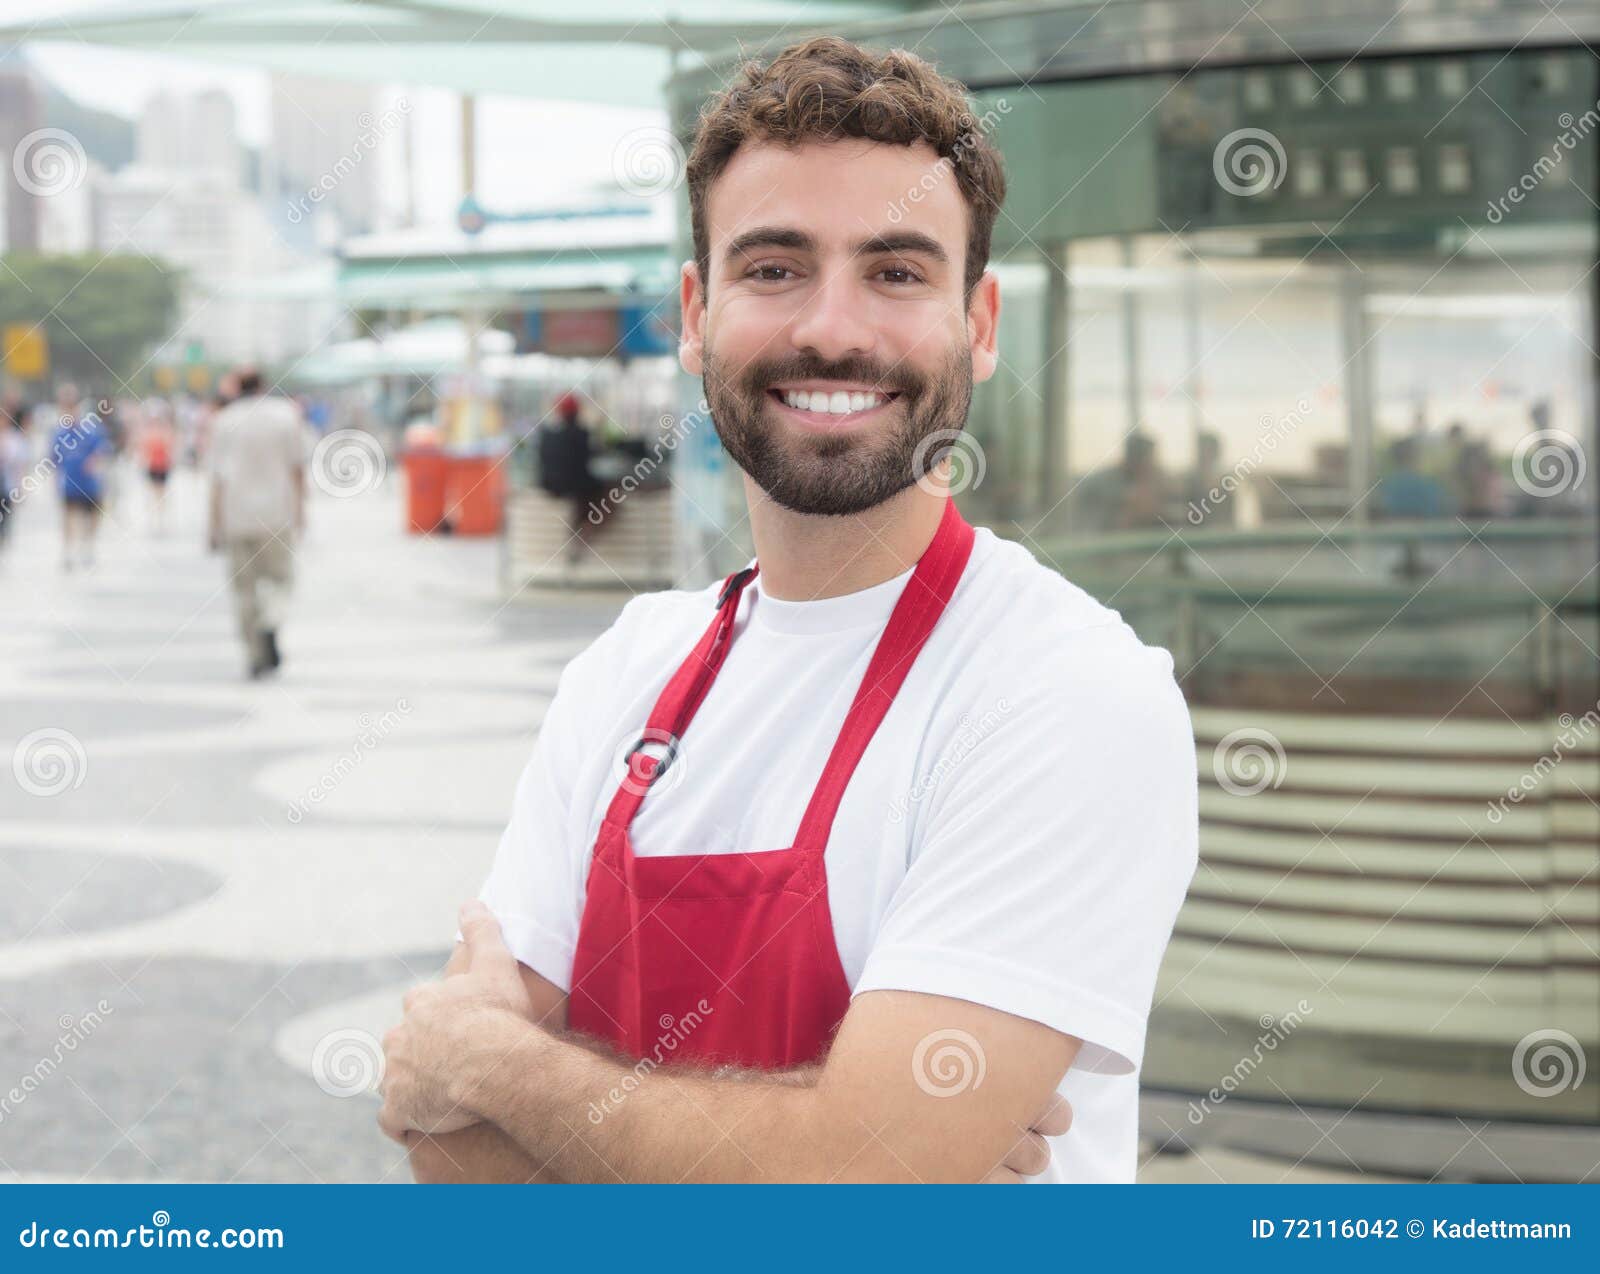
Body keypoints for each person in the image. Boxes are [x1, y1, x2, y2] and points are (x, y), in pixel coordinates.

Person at [380, 36, 1198, 1185]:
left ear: (981, 321)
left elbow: (857, 1188)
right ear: (694, 310)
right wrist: (837, 1128)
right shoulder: (625, 668)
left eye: (898, 272)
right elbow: (450, 1156)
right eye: (773, 267)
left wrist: (506, 1067)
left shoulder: (1064, 689)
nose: (833, 327)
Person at [207, 366, 306, 679]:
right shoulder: (286, 416)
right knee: (280, 580)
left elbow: (217, 479)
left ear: (238, 387)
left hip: (237, 515)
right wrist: (302, 510)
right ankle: (270, 622)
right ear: (264, 385)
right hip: (277, 514)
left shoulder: (223, 421)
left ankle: (253, 653)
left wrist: (213, 523)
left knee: (243, 589)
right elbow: (297, 468)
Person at [536, 391, 610, 544]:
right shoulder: (581, 434)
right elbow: (591, 457)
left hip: (551, 487)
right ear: (577, 412)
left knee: (586, 498)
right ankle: (583, 531)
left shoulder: (546, 435)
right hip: (577, 488)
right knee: (608, 495)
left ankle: (579, 530)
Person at [50, 382, 109, 571]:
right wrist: (54, 483)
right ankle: (68, 552)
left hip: (90, 484)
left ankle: (88, 548)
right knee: (69, 518)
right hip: (69, 484)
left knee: (91, 519)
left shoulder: (91, 429)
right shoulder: (59, 433)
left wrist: (95, 462)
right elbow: (54, 460)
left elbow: (102, 451)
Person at [0, 386, 33, 548]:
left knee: (6, 516)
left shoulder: (15, 439)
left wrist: (21, 486)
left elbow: (20, 464)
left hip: (6, 485)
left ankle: (4, 541)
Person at [139, 401, 176, 533]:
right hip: (152, 466)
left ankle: (161, 520)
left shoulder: (166, 431)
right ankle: (152, 519)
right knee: (151, 492)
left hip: (163, 466)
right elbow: (143, 450)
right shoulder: (147, 432)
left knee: (161, 493)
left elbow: (170, 448)